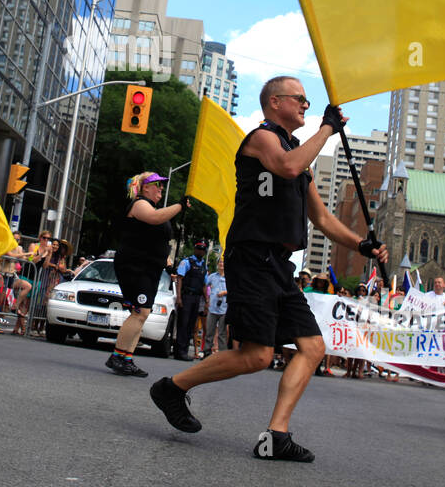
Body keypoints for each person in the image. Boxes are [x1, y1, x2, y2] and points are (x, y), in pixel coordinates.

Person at [148, 78, 388, 462]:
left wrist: (362, 245)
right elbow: (287, 167)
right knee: (258, 356)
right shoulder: (262, 139)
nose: (307, 106)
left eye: (309, 102)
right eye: (301, 100)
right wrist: (328, 128)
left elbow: (322, 217)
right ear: (276, 102)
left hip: (279, 263)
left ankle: (277, 435)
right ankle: (171, 388)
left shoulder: (297, 151)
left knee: (312, 348)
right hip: (252, 256)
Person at [106, 172, 187, 376]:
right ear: (144, 188)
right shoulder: (139, 204)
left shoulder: (152, 207)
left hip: (149, 267)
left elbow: (156, 240)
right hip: (135, 267)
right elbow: (153, 219)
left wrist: (167, 263)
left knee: (143, 312)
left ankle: (127, 358)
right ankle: (117, 356)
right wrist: (180, 206)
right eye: (157, 185)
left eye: (161, 185)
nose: (161, 188)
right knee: (139, 311)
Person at [173, 240, 209, 361]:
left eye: (203, 250)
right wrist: (179, 297)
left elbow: (204, 285)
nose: (201, 251)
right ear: (195, 249)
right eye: (199, 249)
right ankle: (179, 351)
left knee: (191, 325)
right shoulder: (187, 262)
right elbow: (180, 279)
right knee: (183, 323)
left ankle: (184, 350)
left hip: (196, 297)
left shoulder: (204, 265)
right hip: (186, 296)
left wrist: (207, 301)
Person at [202, 259, 228, 358]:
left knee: (222, 333)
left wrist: (224, 293)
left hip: (224, 308)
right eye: (220, 262)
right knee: (209, 331)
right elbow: (204, 285)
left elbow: (234, 289)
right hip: (212, 307)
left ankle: (222, 354)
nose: (221, 264)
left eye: (223, 262)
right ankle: (206, 352)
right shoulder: (212, 276)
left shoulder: (229, 277)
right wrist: (207, 299)